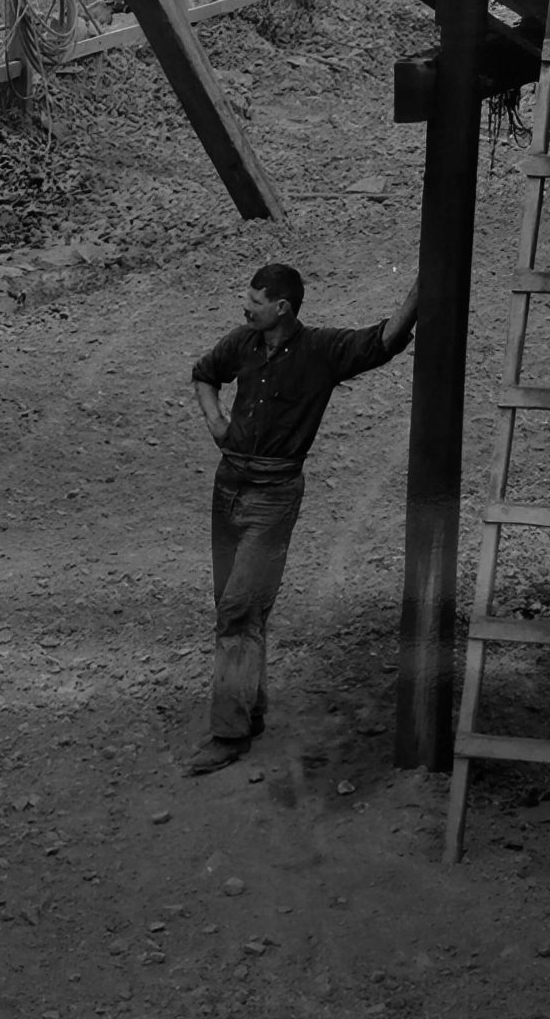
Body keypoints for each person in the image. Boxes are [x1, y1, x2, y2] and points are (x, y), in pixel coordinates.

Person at [186, 261, 419, 776]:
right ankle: (252, 710)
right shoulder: (242, 343)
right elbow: (204, 373)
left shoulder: (322, 351)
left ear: (282, 308)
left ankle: (228, 735)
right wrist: (217, 423)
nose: (245, 306)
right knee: (237, 610)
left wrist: (424, 283)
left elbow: (386, 339)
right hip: (228, 490)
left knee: (238, 612)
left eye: (254, 300)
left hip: (273, 498)